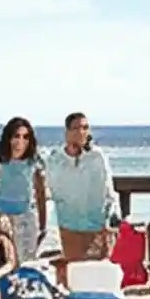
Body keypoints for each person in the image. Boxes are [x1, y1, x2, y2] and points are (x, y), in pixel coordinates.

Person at [45, 112, 121, 288]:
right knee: (72, 276)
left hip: (97, 227)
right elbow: (49, 190)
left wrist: (114, 219)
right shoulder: (56, 159)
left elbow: (109, 190)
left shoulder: (97, 157)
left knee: (97, 277)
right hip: (69, 226)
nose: (82, 132)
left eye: (85, 127)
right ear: (67, 132)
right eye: (77, 128)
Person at [0, 117, 48, 263]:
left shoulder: (34, 162)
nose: (20, 141)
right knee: (3, 261)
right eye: (16, 136)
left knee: (26, 261)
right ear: (9, 138)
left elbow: (40, 193)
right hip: (2, 218)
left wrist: (43, 225)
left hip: (26, 218)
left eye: (25, 137)